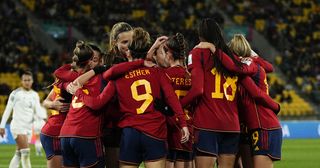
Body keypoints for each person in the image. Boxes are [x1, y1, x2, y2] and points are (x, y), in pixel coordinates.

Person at [71, 27, 190, 168]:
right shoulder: (156, 71)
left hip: (130, 134)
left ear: (128, 53)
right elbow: (172, 98)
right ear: (147, 52)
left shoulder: (117, 76)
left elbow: (98, 103)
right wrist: (183, 124)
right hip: (154, 131)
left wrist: (78, 92)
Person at [180, 18, 279, 168]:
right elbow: (266, 69)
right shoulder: (233, 60)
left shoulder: (197, 53)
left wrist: (177, 107)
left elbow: (197, 89)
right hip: (232, 126)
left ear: (200, 35)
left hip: (208, 122)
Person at [152, 33, 194, 168]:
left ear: (168, 54)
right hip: (189, 125)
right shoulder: (191, 76)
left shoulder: (165, 75)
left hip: (169, 127)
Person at [0, 70, 47, 168]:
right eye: (25, 80)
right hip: (17, 126)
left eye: (29, 80)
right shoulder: (15, 93)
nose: (27, 82)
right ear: (21, 81)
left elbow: (38, 111)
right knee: (26, 153)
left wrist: (47, 121)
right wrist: (2, 125)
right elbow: (8, 110)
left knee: (19, 154)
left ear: (32, 81)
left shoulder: (35, 95)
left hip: (28, 128)